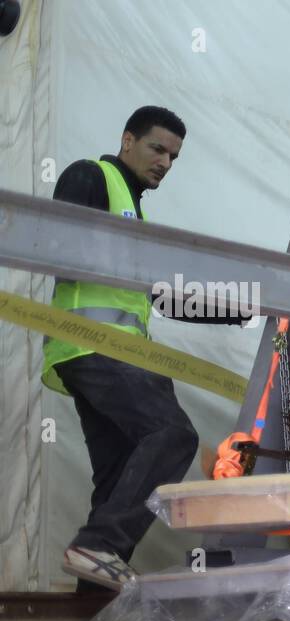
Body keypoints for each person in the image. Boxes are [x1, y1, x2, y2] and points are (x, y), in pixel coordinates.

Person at [47, 106, 245, 591]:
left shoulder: (132, 210)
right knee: (172, 435)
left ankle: (92, 605)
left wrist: (237, 308)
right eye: (157, 149)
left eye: (174, 157)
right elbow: (55, 243)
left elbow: (155, 295)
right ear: (127, 140)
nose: (165, 163)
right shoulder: (90, 176)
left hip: (101, 354)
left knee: (117, 478)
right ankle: (102, 545)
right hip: (97, 348)